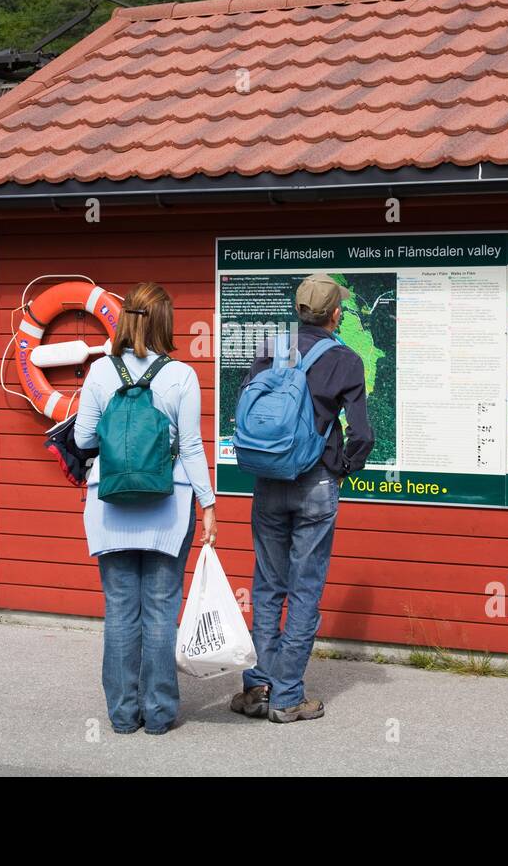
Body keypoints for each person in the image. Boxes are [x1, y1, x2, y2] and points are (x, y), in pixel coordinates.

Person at [73, 281, 217, 735]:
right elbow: (191, 446)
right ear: (164, 323)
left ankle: (122, 714)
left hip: (110, 503)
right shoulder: (181, 376)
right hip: (168, 505)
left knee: (119, 609)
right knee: (160, 608)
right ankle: (158, 714)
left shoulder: (100, 372)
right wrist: (208, 503)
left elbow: (83, 438)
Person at [231, 273, 373, 723]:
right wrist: (342, 467)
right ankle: (289, 695)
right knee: (305, 588)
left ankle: (258, 687)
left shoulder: (270, 350)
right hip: (315, 483)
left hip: (268, 480)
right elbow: (362, 435)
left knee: (267, 586)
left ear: (299, 311)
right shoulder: (346, 360)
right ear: (336, 314)